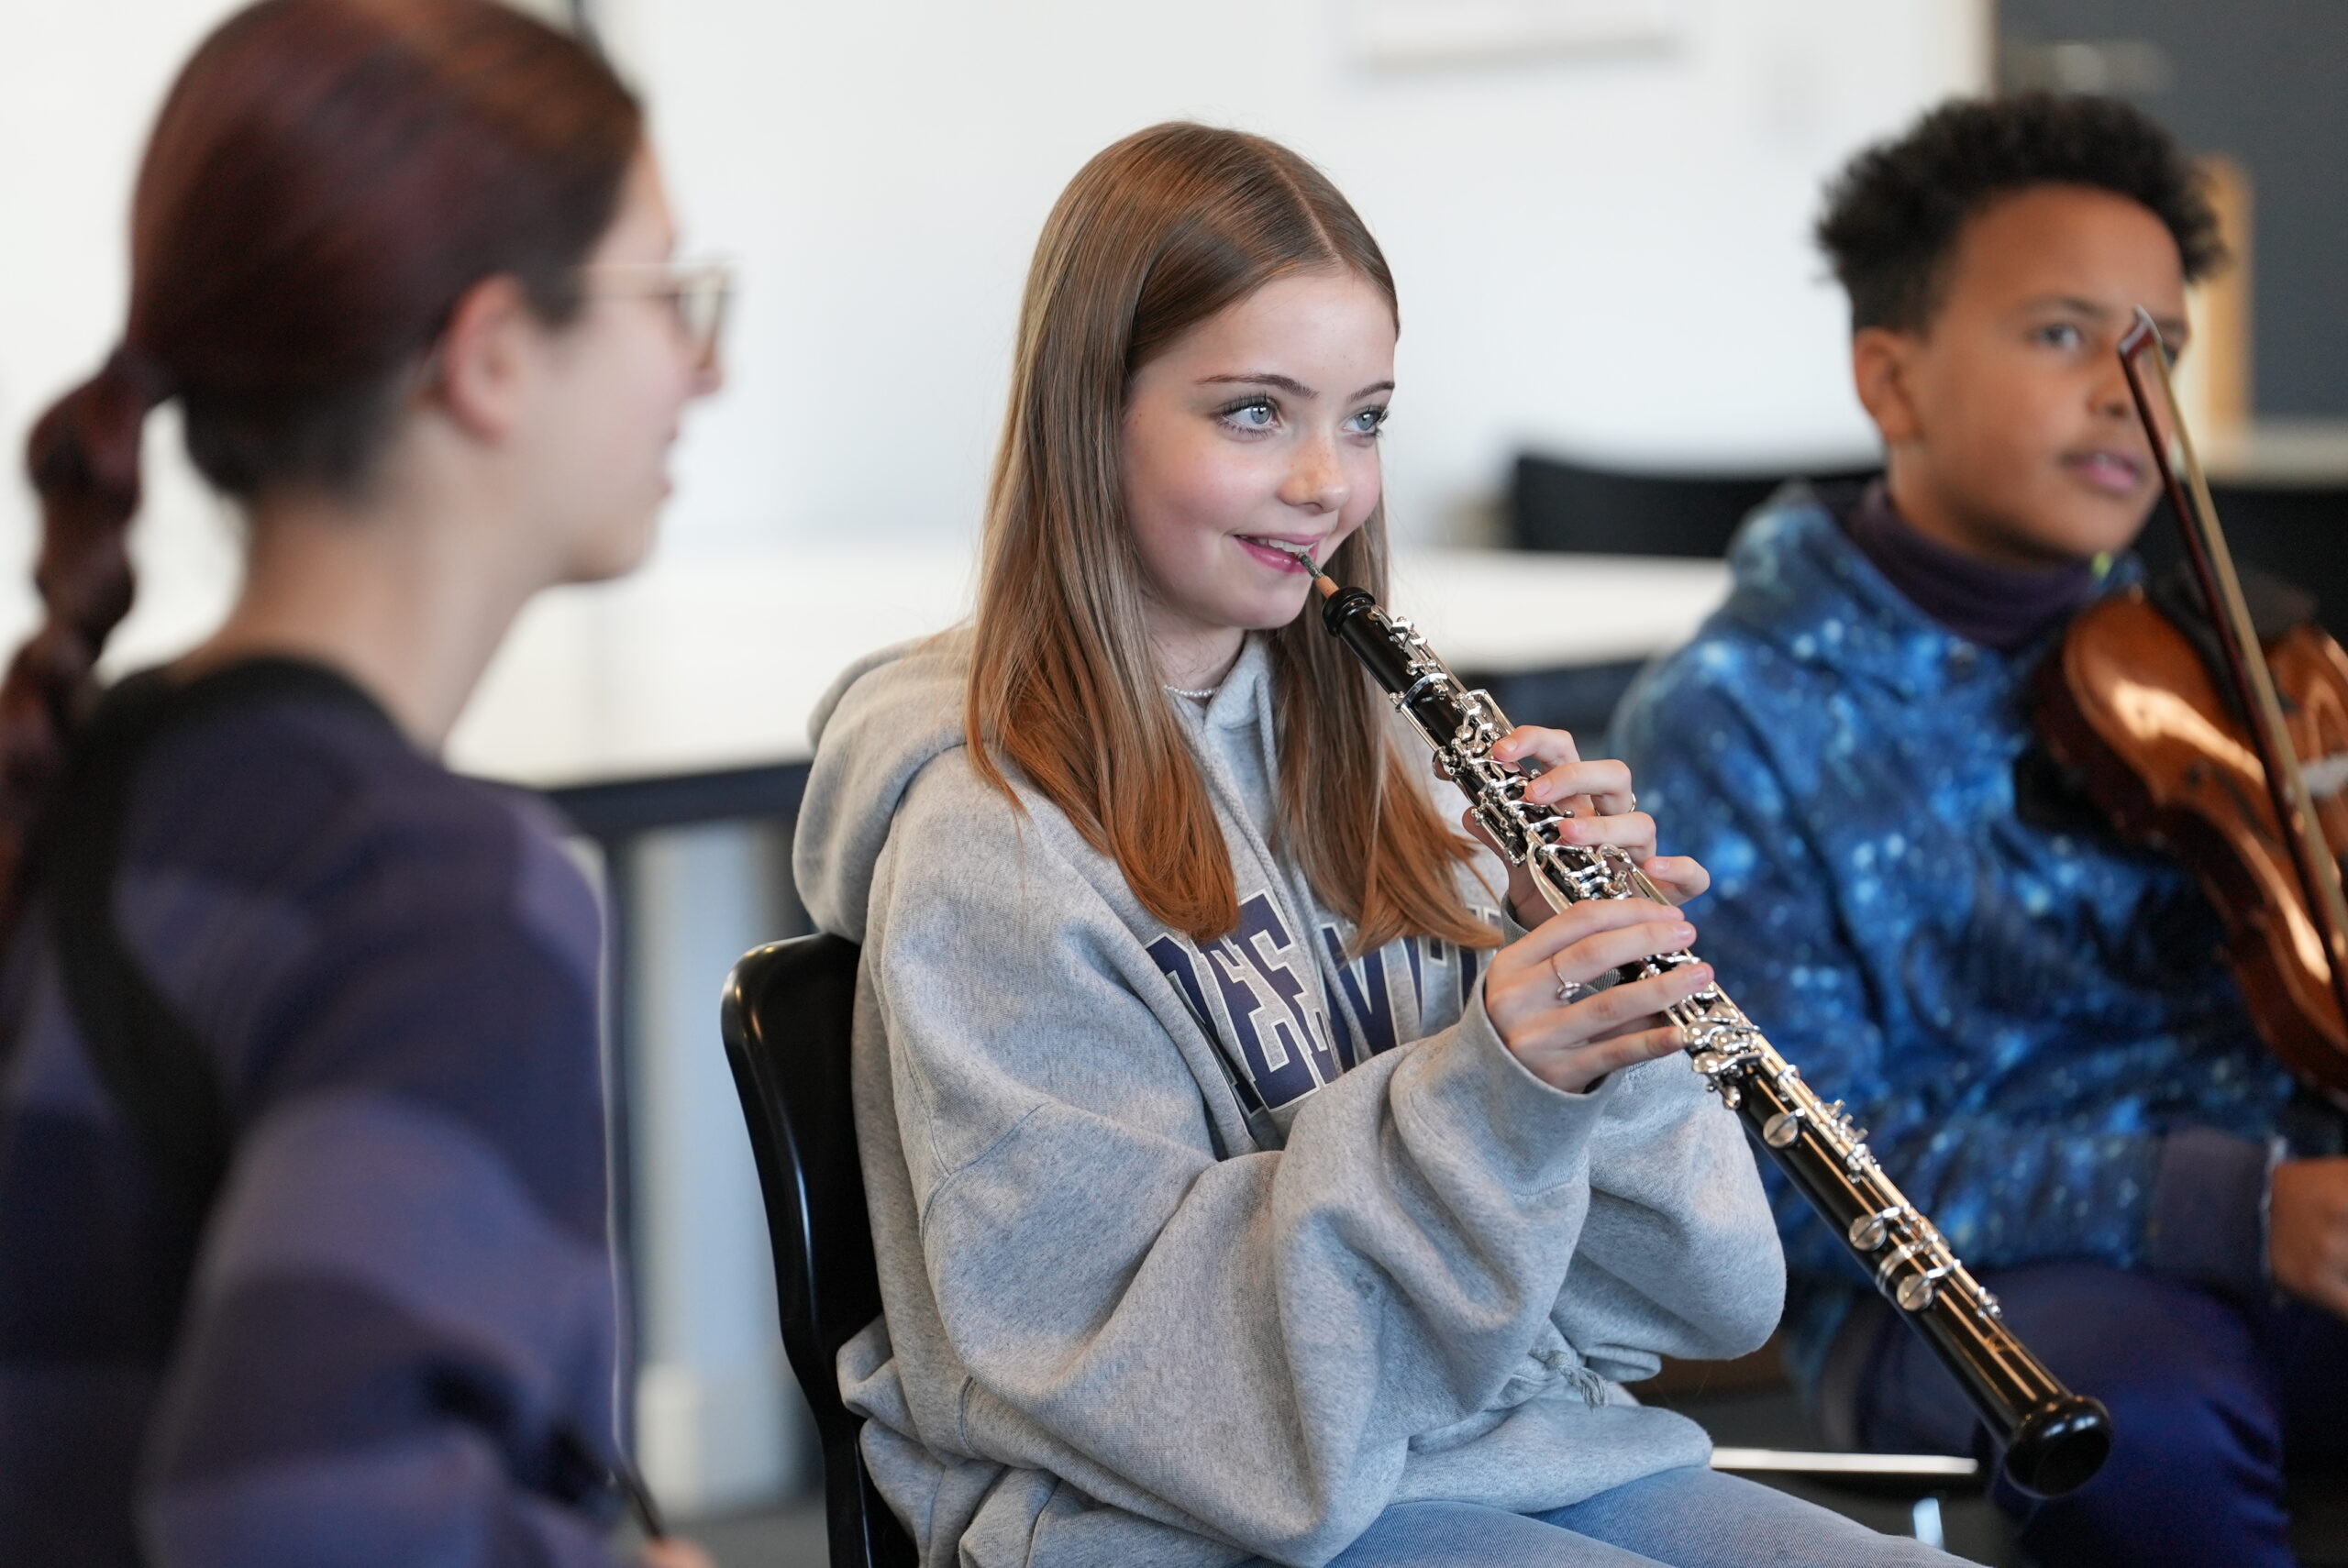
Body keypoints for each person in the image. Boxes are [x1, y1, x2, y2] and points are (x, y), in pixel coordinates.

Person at [792, 121, 1963, 1568]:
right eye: (1252, 413)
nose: (1326, 483)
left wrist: (1609, 1032)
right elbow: (1146, 1387)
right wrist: (1495, 1089)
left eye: (1366, 417)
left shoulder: (1399, 750)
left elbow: (1688, 1303)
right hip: (1167, 1514)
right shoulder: (991, 842)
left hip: (1512, 1447)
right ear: (1086, 416)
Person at [0, 2, 723, 1562]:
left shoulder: (87, 773)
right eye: (667, 297)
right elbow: (300, 1519)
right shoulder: (431, 891)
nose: (702, 368)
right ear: (490, 359)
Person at [1611, 94, 2348, 1566]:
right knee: (2142, 1430)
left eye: (2162, 352)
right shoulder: (1731, 716)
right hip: (1967, 1280)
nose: (2126, 394)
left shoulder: (2215, 663)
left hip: (2295, 1200)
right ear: (1892, 379)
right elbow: (1782, 1165)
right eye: (2065, 334)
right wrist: (2235, 1203)